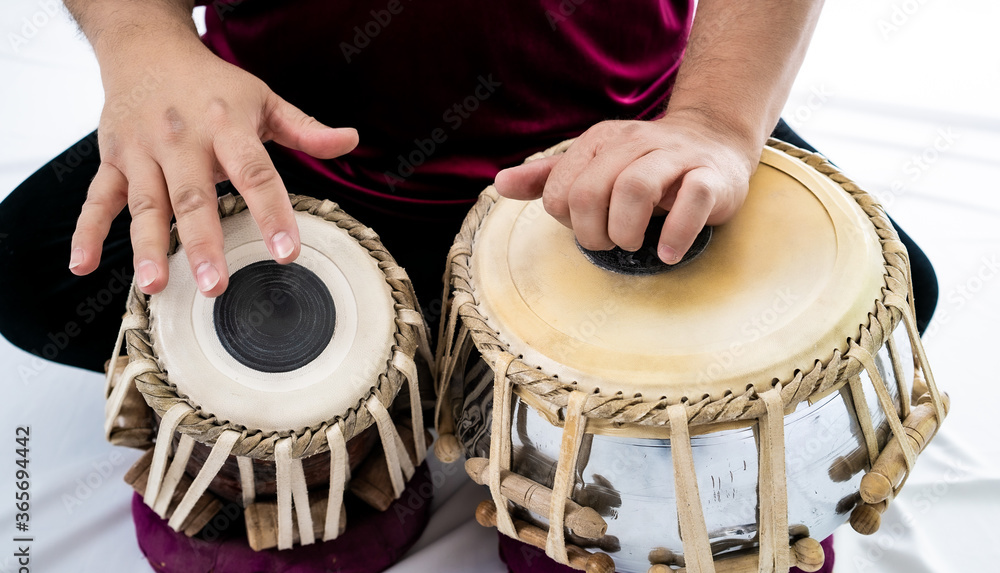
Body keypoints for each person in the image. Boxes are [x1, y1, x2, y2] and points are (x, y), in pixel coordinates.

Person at [0, 0, 936, 373]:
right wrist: (144, 47)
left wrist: (717, 124)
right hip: (283, 153)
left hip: (608, 168)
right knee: (32, 274)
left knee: (885, 306)